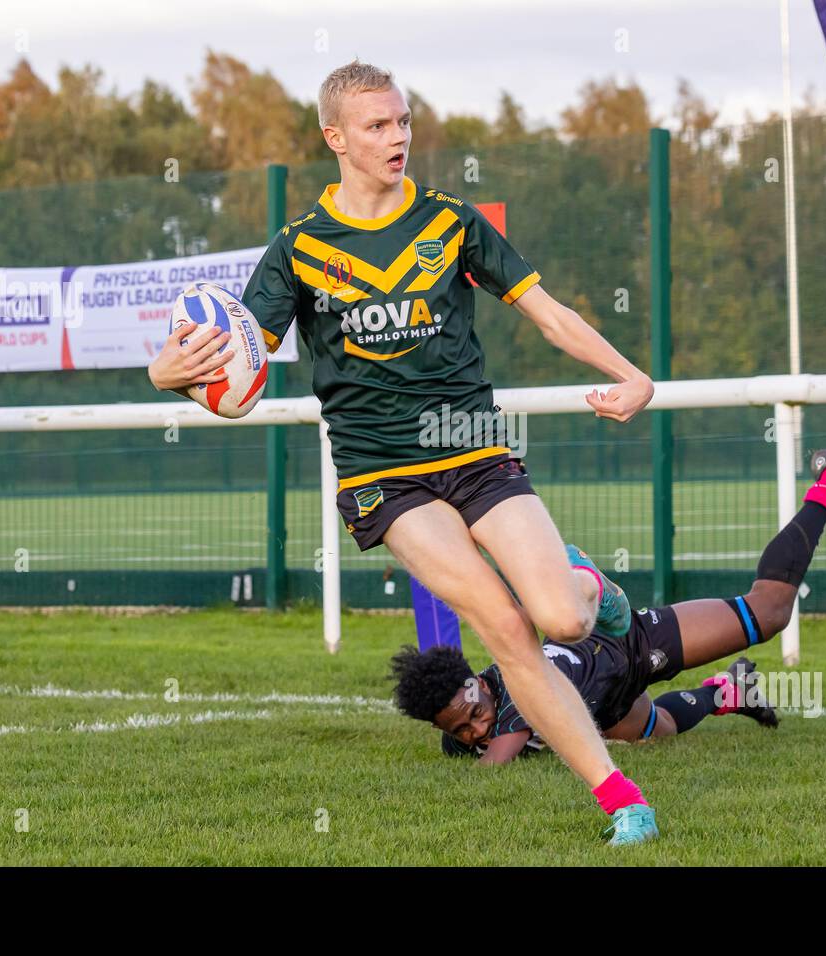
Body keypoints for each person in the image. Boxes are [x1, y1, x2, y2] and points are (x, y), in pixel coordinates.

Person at [148, 61, 661, 844]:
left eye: (403, 121)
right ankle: (621, 798)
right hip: (381, 474)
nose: (398, 137)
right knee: (503, 627)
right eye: (378, 126)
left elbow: (550, 315)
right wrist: (167, 374)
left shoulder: (452, 221)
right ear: (336, 138)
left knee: (562, 617)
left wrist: (632, 376)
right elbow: (236, 376)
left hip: (472, 447)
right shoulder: (298, 250)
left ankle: (586, 582)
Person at [390, 432, 826, 774]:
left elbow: (496, 765)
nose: (476, 731)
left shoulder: (514, 703)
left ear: (479, 683)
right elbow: (472, 742)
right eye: (461, 730)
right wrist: (454, 736)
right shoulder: (470, 722)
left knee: (771, 611)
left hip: (627, 640)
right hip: (608, 702)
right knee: (658, 731)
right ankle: (730, 692)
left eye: (475, 715)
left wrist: (478, 747)